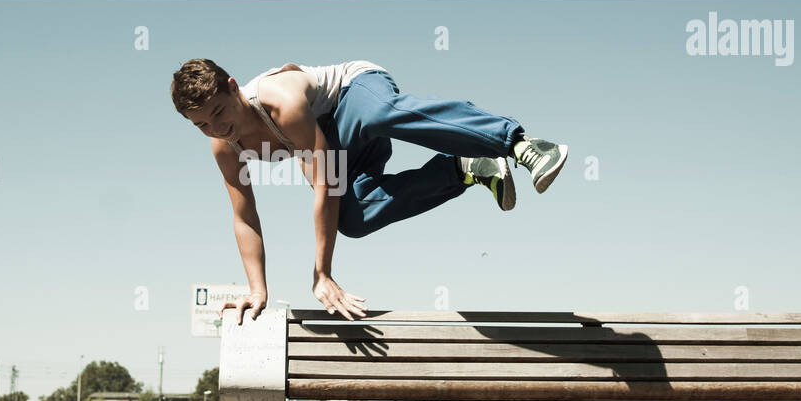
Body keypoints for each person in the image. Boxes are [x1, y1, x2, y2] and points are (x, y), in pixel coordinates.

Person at [170, 59, 567, 321]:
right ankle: (465, 169)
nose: (217, 128)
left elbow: (324, 181)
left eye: (219, 113)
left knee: (381, 113)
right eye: (201, 125)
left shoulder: (280, 102)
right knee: (352, 218)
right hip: (340, 144)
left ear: (234, 87)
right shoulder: (224, 146)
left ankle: (518, 144)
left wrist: (321, 273)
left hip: (355, 89)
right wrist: (257, 288)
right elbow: (244, 217)